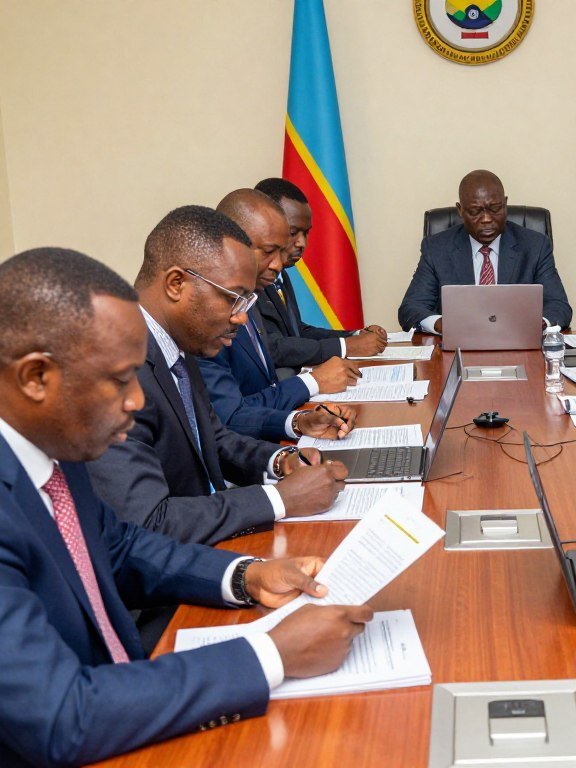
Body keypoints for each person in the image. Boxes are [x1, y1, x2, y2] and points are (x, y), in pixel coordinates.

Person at [0, 248, 372, 767]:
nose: (135, 401)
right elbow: (62, 715)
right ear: (36, 377)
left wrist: (248, 575)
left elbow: (119, 546)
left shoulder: (51, 444)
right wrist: (272, 654)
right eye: (118, 380)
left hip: (127, 700)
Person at [87, 206, 348, 546]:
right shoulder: (114, 372)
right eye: (232, 298)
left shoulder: (178, 342)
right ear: (176, 283)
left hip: (209, 540)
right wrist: (279, 500)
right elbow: (148, 521)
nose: (241, 318)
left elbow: (215, 438)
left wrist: (281, 460)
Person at [196, 189, 358, 441]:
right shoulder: (204, 317)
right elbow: (230, 417)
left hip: (269, 440)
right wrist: (311, 383)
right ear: (231, 245)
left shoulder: (250, 295)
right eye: (269, 251)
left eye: (280, 253)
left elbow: (265, 385)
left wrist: (300, 421)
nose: (278, 264)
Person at [397, 169, 573, 333]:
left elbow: (559, 306)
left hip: (519, 346)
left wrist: (534, 324)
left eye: (495, 209)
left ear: (505, 204)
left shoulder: (535, 246)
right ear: (460, 210)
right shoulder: (436, 248)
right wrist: (444, 325)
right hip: (458, 350)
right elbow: (411, 308)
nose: (487, 219)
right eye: (475, 211)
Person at [252, 177, 388, 369]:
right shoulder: (251, 278)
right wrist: (345, 347)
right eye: (293, 233)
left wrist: (354, 335)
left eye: (306, 233)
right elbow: (271, 348)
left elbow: (296, 331)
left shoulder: (281, 273)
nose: (302, 243)